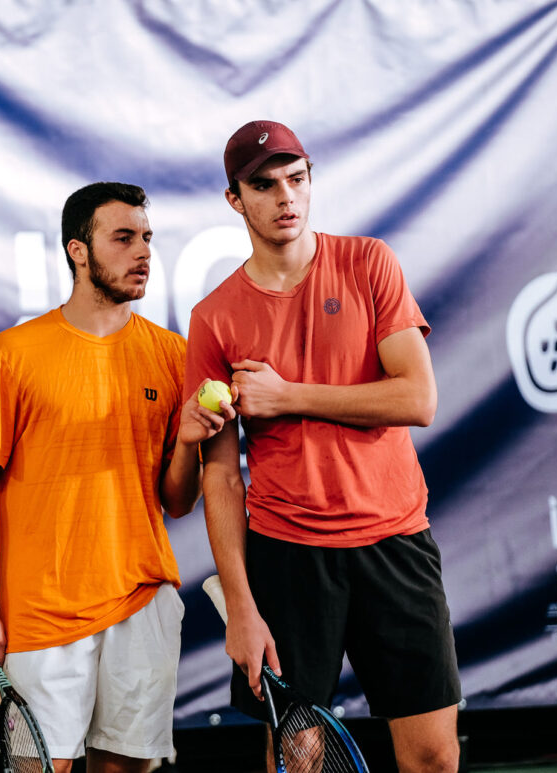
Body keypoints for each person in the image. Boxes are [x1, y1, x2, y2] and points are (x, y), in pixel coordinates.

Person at [186, 121, 461, 773]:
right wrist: (242, 609)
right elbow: (220, 479)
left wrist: (288, 396)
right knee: (299, 756)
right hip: (287, 555)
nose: (285, 195)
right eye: (264, 184)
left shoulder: (369, 263)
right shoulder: (214, 317)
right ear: (235, 199)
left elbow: (417, 398)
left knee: (433, 756)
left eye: (296, 178)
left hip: (395, 540)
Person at [0, 181, 233, 773]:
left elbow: (176, 501)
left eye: (148, 238)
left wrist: (187, 443)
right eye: (124, 238)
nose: (143, 253)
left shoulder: (174, 355)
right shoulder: (11, 354)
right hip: (39, 610)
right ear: (79, 251)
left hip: (142, 599)